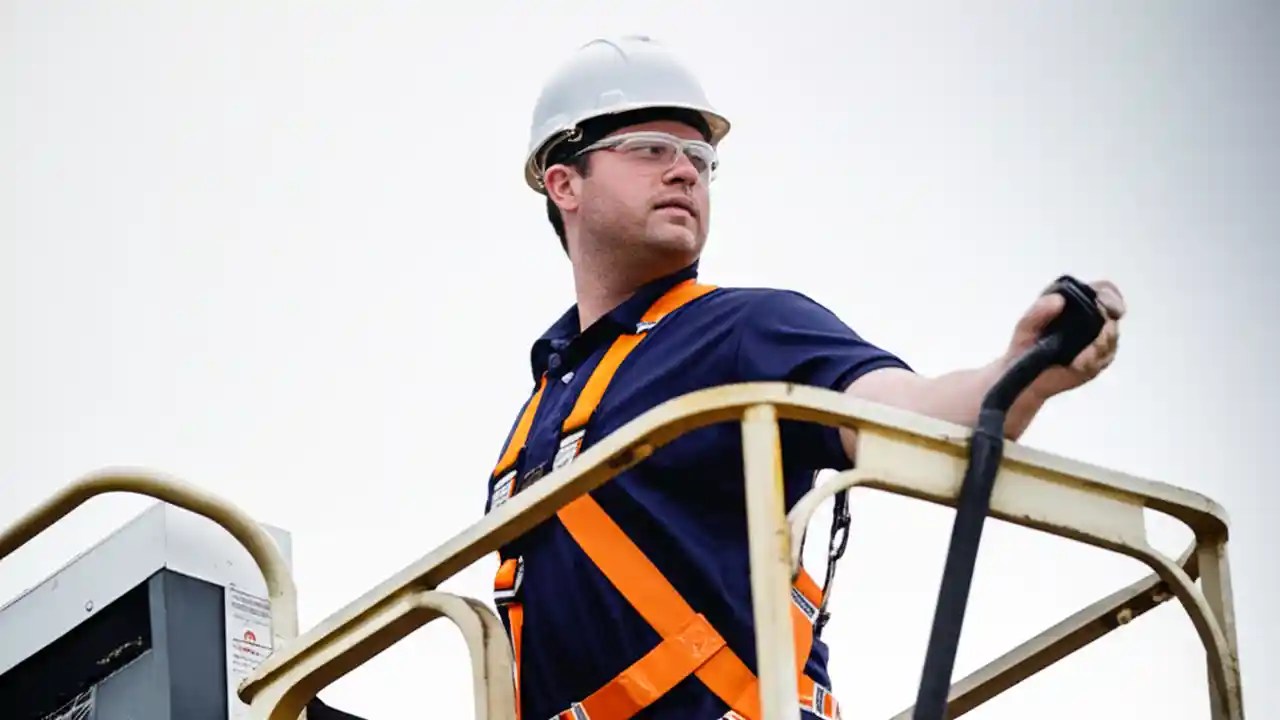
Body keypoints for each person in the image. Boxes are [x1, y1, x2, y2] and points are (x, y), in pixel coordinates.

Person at [484, 35, 1125, 720]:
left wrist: (1021, 371)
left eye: (700, 158)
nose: (686, 173)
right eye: (651, 149)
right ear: (563, 181)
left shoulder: (746, 330)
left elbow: (919, 415)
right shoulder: (537, 417)